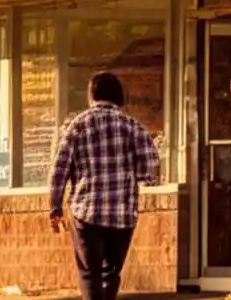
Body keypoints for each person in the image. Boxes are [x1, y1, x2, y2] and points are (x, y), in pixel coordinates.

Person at [49, 72, 160, 300]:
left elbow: (59, 168)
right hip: (123, 215)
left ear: (91, 96)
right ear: (119, 97)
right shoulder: (134, 127)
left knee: (90, 273)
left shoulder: (78, 125)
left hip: (86, 212)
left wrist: (55, 206)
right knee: (111, 273)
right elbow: (151, 169)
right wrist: (130, 175)